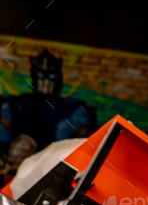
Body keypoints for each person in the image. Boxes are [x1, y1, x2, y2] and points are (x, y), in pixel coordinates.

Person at [0, 50, 94, 179]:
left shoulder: (74, 110)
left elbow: (88, 153)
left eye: (50, 77)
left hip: (54, 180)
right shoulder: (14, 105)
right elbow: (2, 141)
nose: (45, 83)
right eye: (41, 77)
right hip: (15, 178)